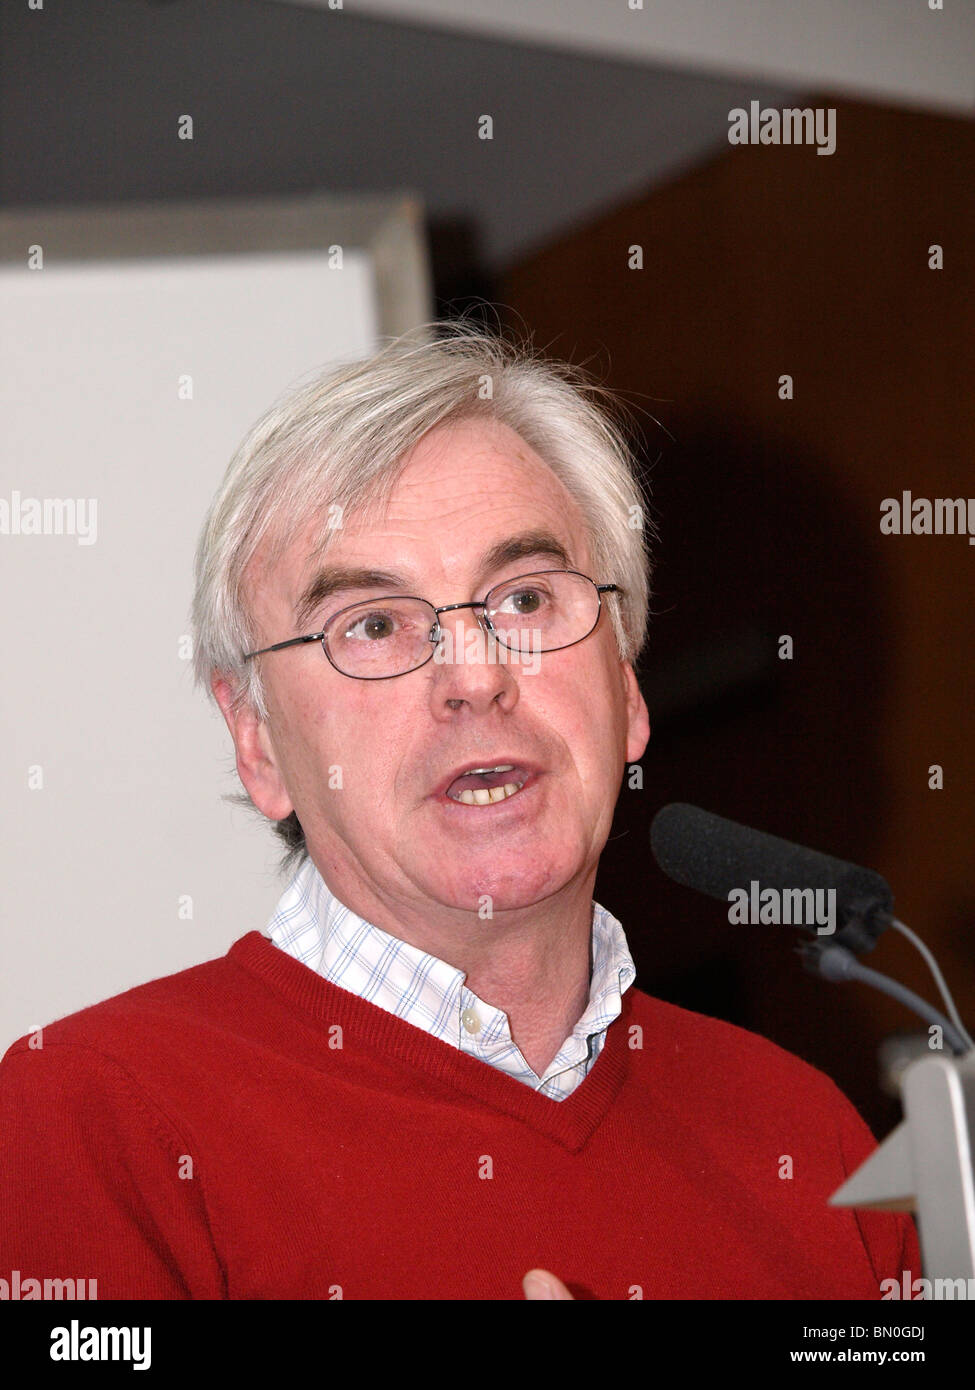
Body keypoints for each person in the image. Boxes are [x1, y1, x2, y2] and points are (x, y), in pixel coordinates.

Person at [0, 320, 918, 1300]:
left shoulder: (804, 1132)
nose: (474, 677)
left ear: (626, 684)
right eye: (376, 625)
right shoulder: (90, 1117)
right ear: (258, 743)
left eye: (525, 600)